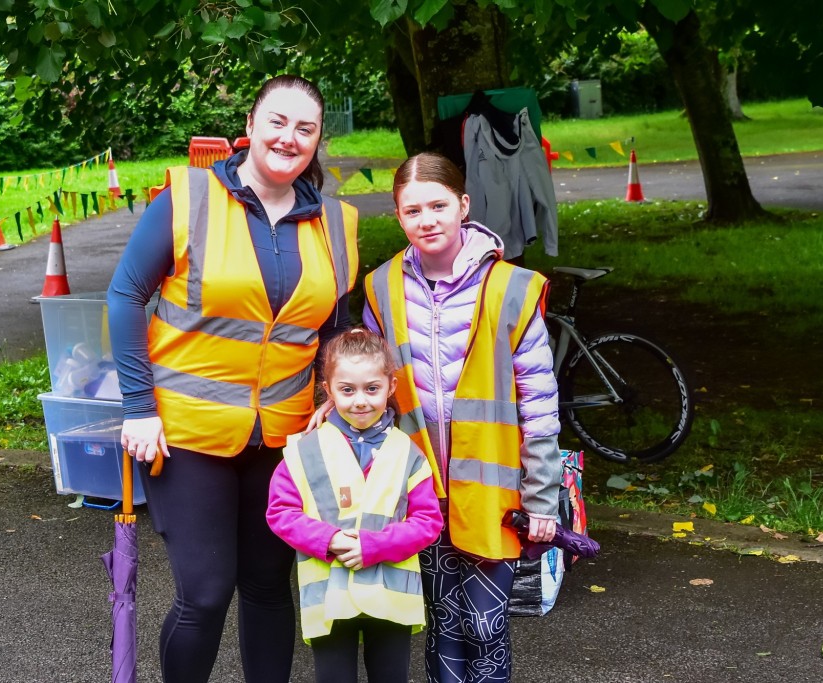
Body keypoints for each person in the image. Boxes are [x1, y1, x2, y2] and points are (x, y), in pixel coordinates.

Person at [106, 74, 359, 683]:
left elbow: (334, 329)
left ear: (317, 140)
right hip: (186, 433)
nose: (288, 137)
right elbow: (125, 295)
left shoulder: (336, 222)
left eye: (305, 128)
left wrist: (335, 399)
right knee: (206, 592)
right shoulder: (189, 197)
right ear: (250, 126)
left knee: (269, 585)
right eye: (277, 121)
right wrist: (138, 407)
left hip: (284, 436)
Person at [364, 152, 562, 683]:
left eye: (438, 205)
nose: (427, 220)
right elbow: (369, 386)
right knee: (442, 625)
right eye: (412, 210)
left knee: (485, 625)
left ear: (464, 205)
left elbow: (540, 402)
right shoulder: (380, 287)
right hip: (420, 492)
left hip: (494, 494)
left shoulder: (512, 287)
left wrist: (543, 496)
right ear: (398, 216)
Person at [267, 328, 443, 683]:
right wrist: (329, 539)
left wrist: (374, 546)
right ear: (328, 390)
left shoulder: (408, 452)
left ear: (391, 387)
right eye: (347, 390)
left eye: (371, 388)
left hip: (391, 598)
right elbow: (281, 512)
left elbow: (428, 521)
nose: (360, 401)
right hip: (330, 599)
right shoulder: (303, 450)